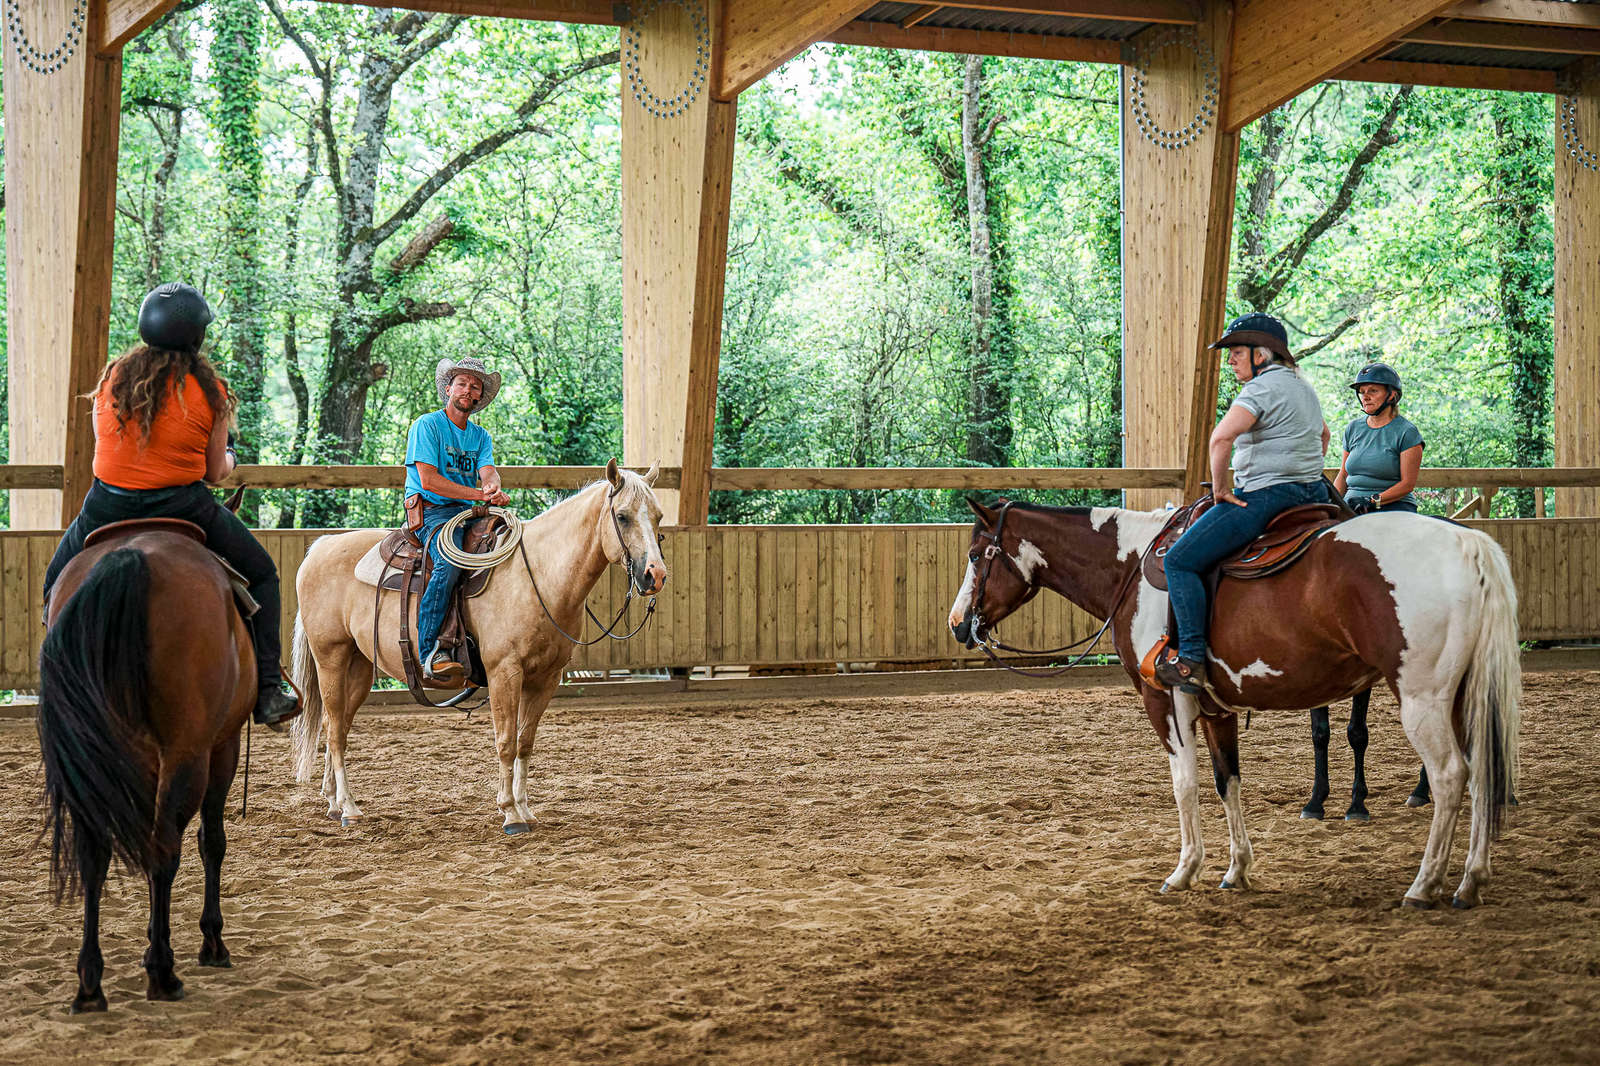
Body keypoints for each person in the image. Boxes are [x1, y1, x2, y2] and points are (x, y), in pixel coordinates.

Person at [43, 282, 301, 729]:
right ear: (197, 337)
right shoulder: (209, 389)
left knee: (53, 586)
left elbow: (105, 450)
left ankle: (58, 681)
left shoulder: (112, 380)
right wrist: (233, 456)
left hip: (107, 505)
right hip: (182, 505)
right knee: (262, 574)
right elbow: (215, 473)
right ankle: (267, 691)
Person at [1155, 312, 1332, 695]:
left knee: (1179, 560)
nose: (1231, 360)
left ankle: (1190, 660)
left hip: (1267, 497)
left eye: (1236, 352)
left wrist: (1221, 489)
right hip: (1315, 494)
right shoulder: (1304, 387)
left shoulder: (1260, 390)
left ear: (1262, 354)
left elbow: (1220, 440)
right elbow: (1324, 435)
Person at [404, 356, 510, 685]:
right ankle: (430, 651)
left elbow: (488, 472)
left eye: (474, 386)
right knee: (448, 564)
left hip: (469, 513)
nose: (468, 389)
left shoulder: (480, 437)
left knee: (508, 554)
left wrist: (493, 488)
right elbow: (429, 480)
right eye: (462, 383)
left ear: (478, 397)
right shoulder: (428, 425)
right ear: (448, 389)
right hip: (433, 511)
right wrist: (479, 495)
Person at [1333, 362, 1423, 514]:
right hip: (1352, 506)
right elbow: (1343, 475)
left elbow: (1407, 484)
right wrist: (1332, 504)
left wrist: (1372, 500)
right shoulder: (1353, 428)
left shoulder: (1407, 432)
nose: (1365, 397)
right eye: (1362, 392)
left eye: (1373, 391)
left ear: (1392, 395)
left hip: (1393, 507)